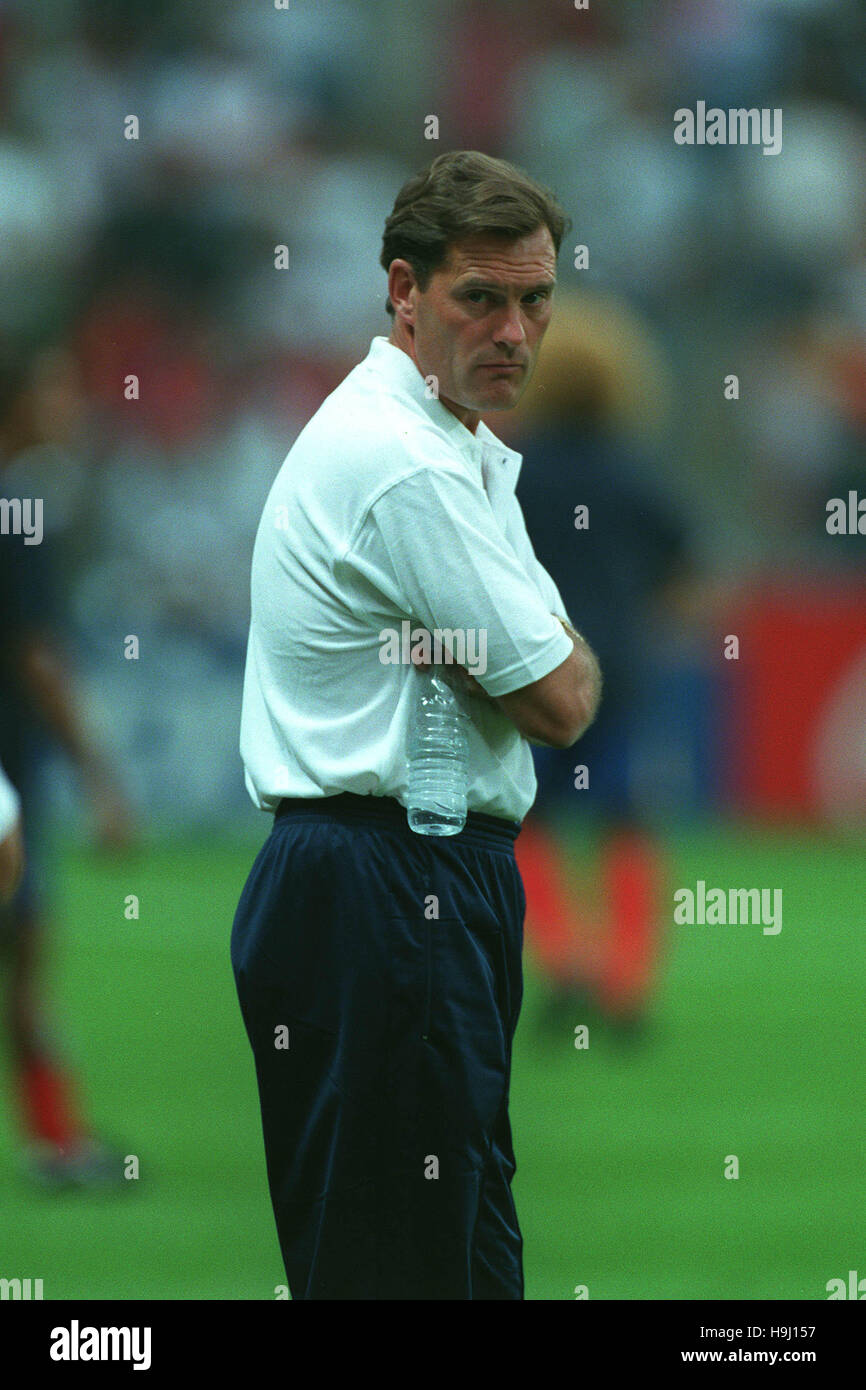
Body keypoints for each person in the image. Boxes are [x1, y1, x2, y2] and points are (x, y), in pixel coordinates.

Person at [231, 151, 602, 1300]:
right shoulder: (407, 468)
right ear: (403, 291)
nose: (514, 331)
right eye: (478, 298)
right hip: (392, 884)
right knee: (400, 1272)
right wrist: (535, 648)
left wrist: (523, 652)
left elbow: (541, 675)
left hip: (394, 884)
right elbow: (563, 697)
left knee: (458, 1266)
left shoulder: (448, 448)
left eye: (534, 299)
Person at [0, 347, 135, 1189]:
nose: (71, 402)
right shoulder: (17, 510)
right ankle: (57, 1142)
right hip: (9, 778)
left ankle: (58, 1139)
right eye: (56, 386)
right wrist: (100, 776)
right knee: (28, 953)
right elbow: (39, 658)